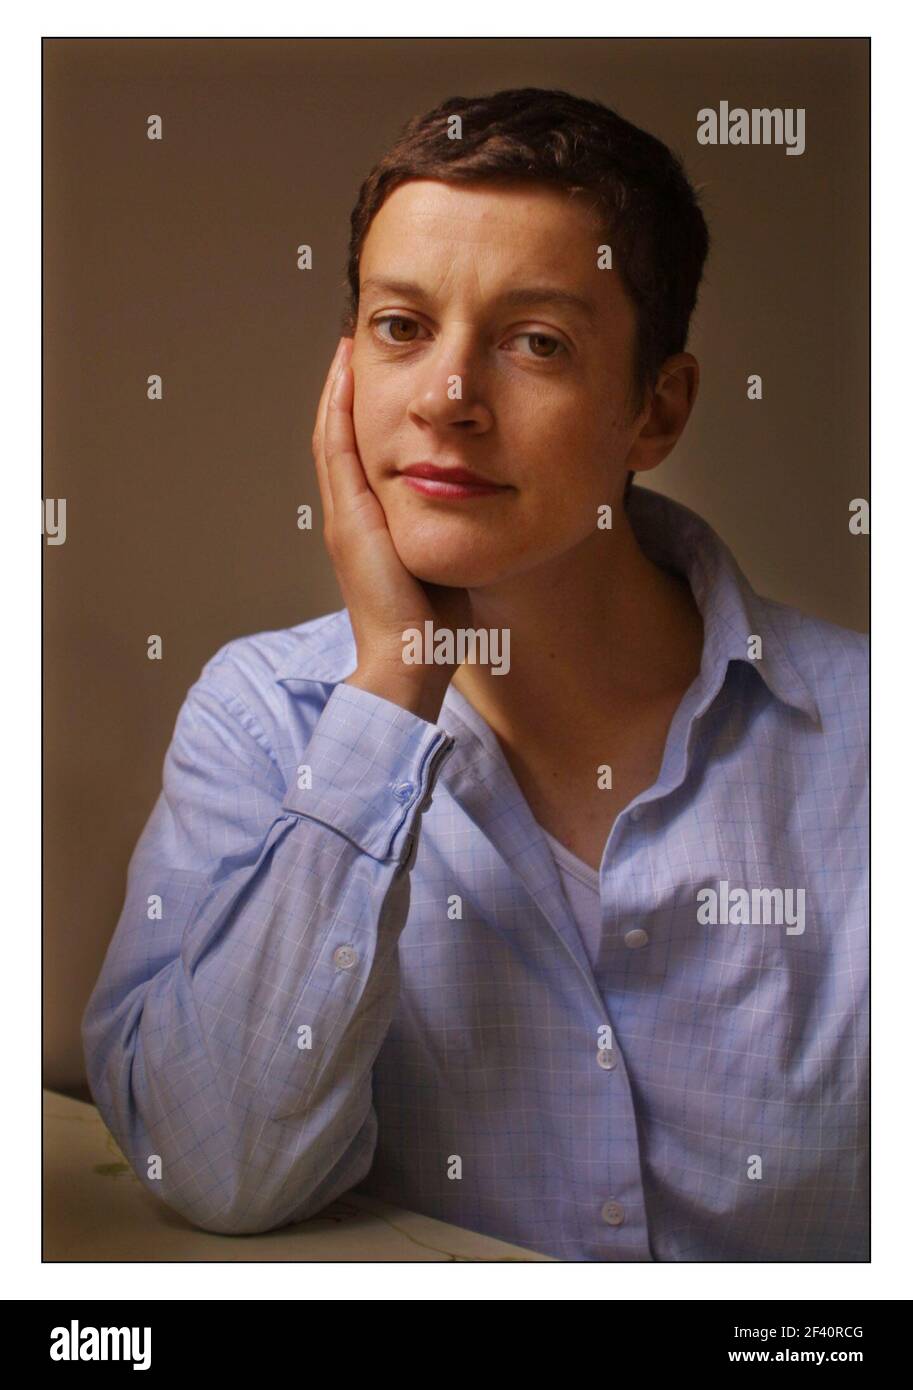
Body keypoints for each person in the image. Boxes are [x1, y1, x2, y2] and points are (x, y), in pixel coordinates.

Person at [81, 87, 868, 1261]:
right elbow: (223, 1170)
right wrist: (398, 677)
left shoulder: (870, 745)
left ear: (654, 411)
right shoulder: (257, 722)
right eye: (402, 327)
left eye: (535, 342)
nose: (449, 398)